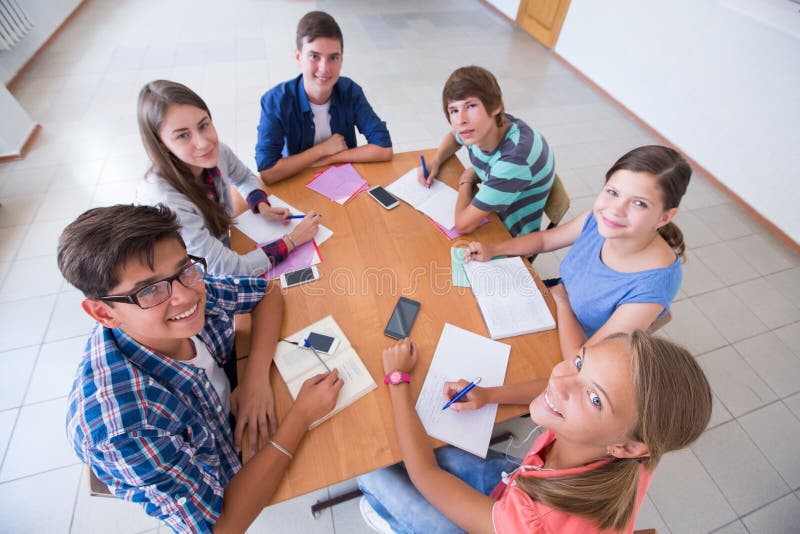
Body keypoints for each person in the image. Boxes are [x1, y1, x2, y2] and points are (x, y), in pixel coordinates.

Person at [59, 204, 343, 533]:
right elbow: (221, 527)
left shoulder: (185, 286)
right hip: (226, 477)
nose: (185, 296)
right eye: (149, 290)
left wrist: (254, 381)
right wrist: (299, 418)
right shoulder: (123, 429)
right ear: (104, 313)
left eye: (184, 270)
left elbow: (267, 292)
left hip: (236, 410)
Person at [358, 332, 712, 533]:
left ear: (628, 447)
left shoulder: (534, 521)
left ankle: (394, 520)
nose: (559, 382)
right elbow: (558, 387)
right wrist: (490, 394)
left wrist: (397, 380)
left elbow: (426, 476)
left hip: (515, 519)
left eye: (594, 398)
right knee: (442, 452)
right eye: (579, 362)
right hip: (520, 487)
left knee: (371, 472)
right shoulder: (639, 446)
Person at [466, 145, 690, 361]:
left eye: (639, 203)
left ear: (664, 217)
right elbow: (545, 240)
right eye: (613, 192)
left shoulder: (654, 284)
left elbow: (581, 360)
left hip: (572, 349)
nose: (616, 209)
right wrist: (494, 249)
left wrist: (563, 303)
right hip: (547, 304)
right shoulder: (602, 218)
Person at [136, 79, 321, 276]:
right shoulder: (167, 202)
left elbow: (243, 177)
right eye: (183, 136)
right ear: (161, 143)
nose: (203, 143)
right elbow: (230, 270)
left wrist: (261, 205)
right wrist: (292, 240)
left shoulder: (215, 153)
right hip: (198, 281)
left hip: (225, 251)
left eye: (203, 125)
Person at [255, 11, 392, 184]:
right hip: (296, 184)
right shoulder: (275, 101)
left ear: (342, 59)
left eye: (333, 57)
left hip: (342, 182)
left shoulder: (350, 91)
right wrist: (321, 151)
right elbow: (268, 172)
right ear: (299, 57)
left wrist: (331, 158)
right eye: (314, 56)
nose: (324, 68)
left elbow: (384, 148)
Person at [419, 66, 555, 237]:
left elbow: (462, 226)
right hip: (490, 211)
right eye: (454, 110)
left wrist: (467, 181)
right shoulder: (484, 127)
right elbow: (454, 137)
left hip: (507, 236)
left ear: (496, 106)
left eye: (471, 106)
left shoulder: (514, 159)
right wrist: (436, 161)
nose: (461, 120)